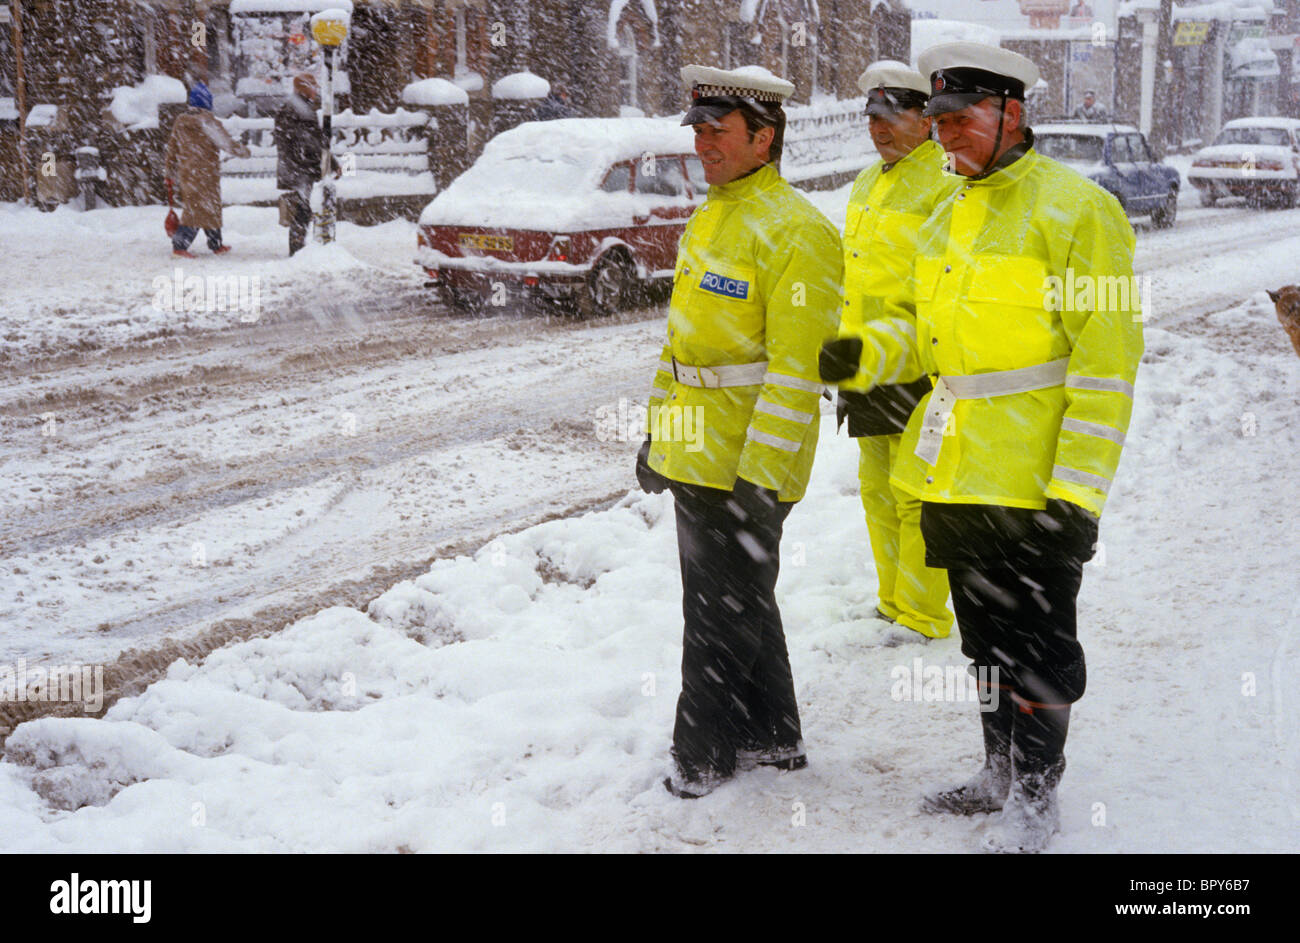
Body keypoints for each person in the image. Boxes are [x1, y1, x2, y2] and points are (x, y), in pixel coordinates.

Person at [819, 42, 1143, 852]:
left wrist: (1076, 494)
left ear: (1012, 111)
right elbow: (926, 340)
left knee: (1041, 645)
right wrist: (862, 353)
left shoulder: (1079, 211)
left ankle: (1036, 794)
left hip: (1033, 480)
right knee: (986, 637)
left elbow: (1106, 370)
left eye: (960, 119)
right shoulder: (944, 212)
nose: (945, 136)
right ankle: (996, 767)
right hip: (954, 469)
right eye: (937, 120)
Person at [636, 64, 842, 799]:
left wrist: (761, 476)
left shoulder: (800, 232)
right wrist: (660, 434)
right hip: (696, 452)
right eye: (696, 130)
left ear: (765, 137)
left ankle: (702, 754)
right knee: (735, 599)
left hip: (750, 463)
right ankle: (773, 734)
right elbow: (681, 345)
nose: (702, 144)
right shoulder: (710, 216)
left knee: (716, 616)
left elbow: (795, 372)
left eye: (716, 131)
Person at [836, 61, 961, 641]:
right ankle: (892, 602)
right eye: (872, 118)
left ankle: (923, 614)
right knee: (878, 491)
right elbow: (854, 278)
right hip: (868, 364)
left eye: (892, 116)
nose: (879, 129)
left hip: (921, 365)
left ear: (924, 120)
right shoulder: (867, 182)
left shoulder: (946, 182)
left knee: (916, 493)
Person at [163, 81, 250, 258]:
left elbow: (172, 148)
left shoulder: (180, 122)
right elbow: (227, 144)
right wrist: (244, 152)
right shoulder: (208, 122)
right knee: (198, 210)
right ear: (208, 103)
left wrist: (169, 172)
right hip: (206, 174)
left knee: (207, 208)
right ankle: (180, 245)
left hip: (188, 173)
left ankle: (215, 244)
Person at [275, 73, 324, 256]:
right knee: (301, 210)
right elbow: (309, 140)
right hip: (300, 167)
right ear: (303, 88)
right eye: (313, 86)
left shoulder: (299, 107)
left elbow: (311, 139)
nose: (315, 90)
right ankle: (296, 249)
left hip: (298, 165)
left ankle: (298, 247)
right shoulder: (298, 109)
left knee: (301, 208)